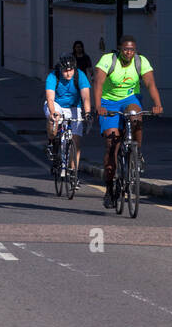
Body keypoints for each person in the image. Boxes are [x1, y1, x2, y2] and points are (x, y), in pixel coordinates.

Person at [94, 36, 162, 208]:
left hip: (130, 98)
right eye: (125, 49)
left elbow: (150, 83)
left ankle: (137, 153)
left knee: (136, 115)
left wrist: (157, 104)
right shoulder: (108, 60)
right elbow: (98, 84)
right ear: (119, 49)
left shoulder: (141, 61)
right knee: (111, 145)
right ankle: (109, 191)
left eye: (132, 50)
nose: (129, 53)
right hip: (108, 102)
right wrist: (98, 106)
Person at [44, 53, 92, 183]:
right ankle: (52, 143)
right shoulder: (53, 76)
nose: (68, 73)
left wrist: (87, 113)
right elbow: (50, 98)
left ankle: (73, 173)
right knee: (54, 121)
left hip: (74, 107)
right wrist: (54, 112)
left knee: (76, 141)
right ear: (60, 69)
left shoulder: (80, 75)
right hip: (57, 105)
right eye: (65, 70)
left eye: (70, 70)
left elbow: (86, 97)